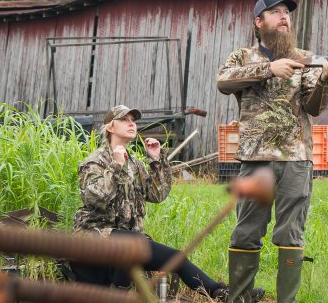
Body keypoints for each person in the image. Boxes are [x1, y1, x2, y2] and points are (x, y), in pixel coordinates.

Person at [216, 0, 328, 303]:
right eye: (275, 12)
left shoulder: (306, 58)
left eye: (287, 11)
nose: (284, 16)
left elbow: (314, 108)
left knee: (290, 234)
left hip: (296, 159)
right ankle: (240, 299)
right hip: (255, 159)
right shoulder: (242, 56)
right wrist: (269, 69)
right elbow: (223, 81)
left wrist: (325, 79)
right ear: (258, 22)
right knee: (246, 233)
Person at [66, 105, 250, 301]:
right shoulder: (95, 162)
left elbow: (157, 194)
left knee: (175, 258)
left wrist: (156, 161)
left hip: (129, 241)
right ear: (110, 127)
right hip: (94, 237)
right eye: (125, 120)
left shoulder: (135, 165)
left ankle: (223, 294)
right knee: (132, 243)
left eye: (133, 120)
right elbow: (95, 199)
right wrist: (116, 167)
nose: (131, 124)